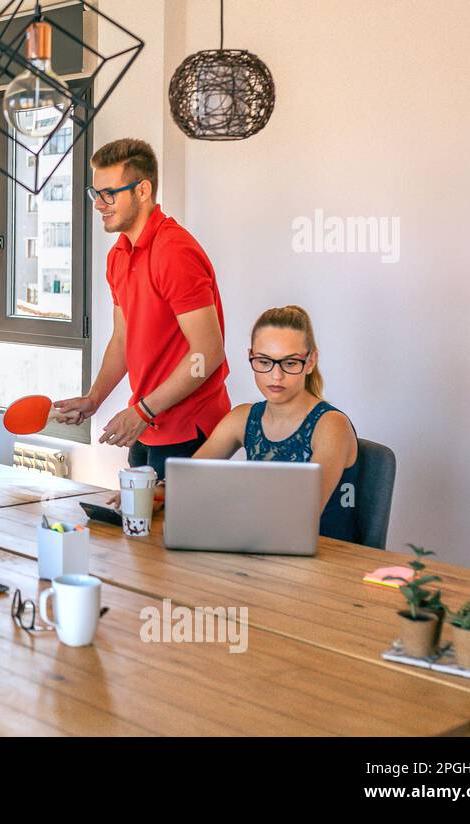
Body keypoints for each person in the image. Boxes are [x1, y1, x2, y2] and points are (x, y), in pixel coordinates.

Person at [54, 138, 230, 480]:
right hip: (148, 423)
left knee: (173, 534)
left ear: (142, 190)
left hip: (188, 430)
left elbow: (208, 354)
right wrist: (94, 399)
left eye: (109, 194)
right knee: (136, 529)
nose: (99, 204)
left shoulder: (174, 252)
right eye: (96, 194)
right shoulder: (118, 255)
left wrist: (143, 410)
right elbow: (122, 340)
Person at [193, 306, 360, 541]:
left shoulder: (332, 425)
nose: (276, 376)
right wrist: (155, 493)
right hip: (260, 549)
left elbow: (300, 516)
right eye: (264, 361)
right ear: (251, 356)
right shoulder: (242, 417)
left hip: (325, 563)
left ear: (310, 361)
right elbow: (189, 478)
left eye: (290, 363)